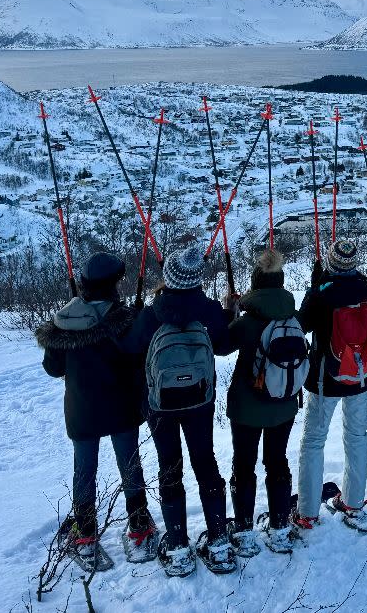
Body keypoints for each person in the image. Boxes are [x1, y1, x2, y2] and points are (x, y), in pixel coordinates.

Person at [37, 252, 154, 572]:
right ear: (114, 285)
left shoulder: (64, 320)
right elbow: (136, 358)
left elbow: (52, 367)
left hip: (81, 411)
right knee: (130, 467)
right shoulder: (124, 319)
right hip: (121, 408)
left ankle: (85, 535)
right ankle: (141, 527)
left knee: (84, 472)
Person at [121, 244, 234, 577]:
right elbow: (225, 346)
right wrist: (229, 316)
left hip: (160, 406)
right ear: (197, 278)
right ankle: (217, 540)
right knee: (205, 461)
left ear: (168, 278)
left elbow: (130, 350)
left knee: (169, 466)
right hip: (200, 401)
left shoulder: (152, 314)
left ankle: (179, 547)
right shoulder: (209, 309)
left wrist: (132, 321)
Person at [295, 238, 367, 532]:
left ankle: (307, 512)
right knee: (357, 436)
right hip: (360, 375)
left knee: (313, 441)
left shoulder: (322, 292)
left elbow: (302, 325)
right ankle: (354, 502)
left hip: (325, 379)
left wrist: (315, 286)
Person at [223, 248, 303, 554]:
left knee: (244, 465)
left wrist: (230, 312)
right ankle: (280, 526)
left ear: (255, 285)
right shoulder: (291, 315)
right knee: (277, 460)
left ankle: (243, 530)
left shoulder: (247, 322)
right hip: (284, 403)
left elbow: (221, 345)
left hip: (247, 406)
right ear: (281, 284)